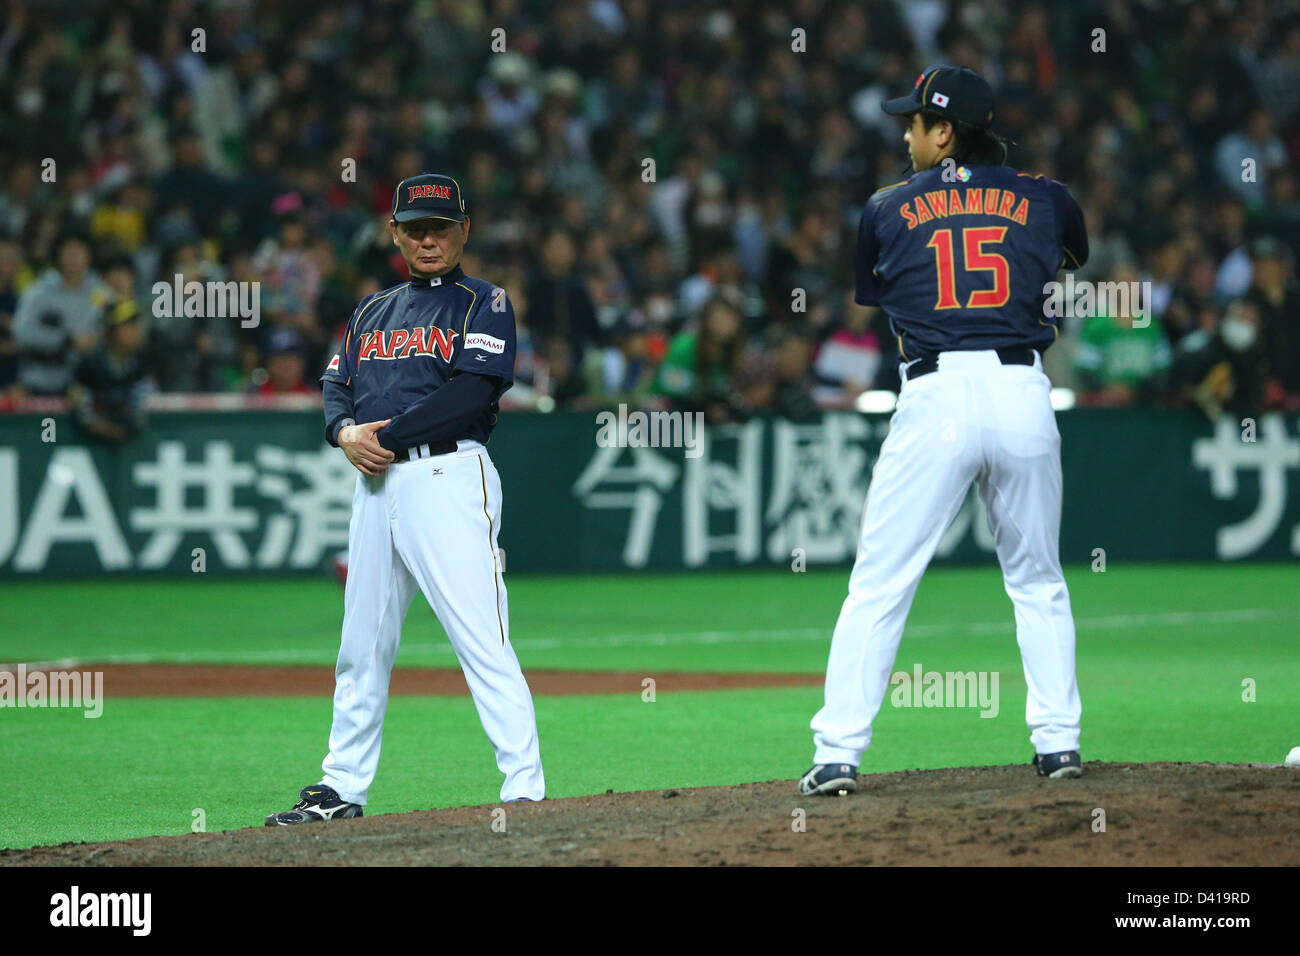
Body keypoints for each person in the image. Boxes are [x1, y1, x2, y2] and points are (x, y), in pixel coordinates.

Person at [800, 66, 1089, 797]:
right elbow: (1070, 256)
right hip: (1023, 391)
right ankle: (1059, 744)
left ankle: (837, 754)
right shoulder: (1049, 197)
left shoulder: (885, 208)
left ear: (946, 130)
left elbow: (878, 290)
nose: (906, 135)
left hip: (936, 396)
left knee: (880, 582)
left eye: (915, 123)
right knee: (1038, 579)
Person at [266, 173, 545, 826]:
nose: (428, 240)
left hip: (449, 476)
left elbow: (473, 392)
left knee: (481, 638)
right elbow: (336, 383)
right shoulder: (372, 309)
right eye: (415, 229)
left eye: (440, 228)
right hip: (375, 484)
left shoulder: (485, 302)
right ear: (394, 233)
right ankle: (341, 786)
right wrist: (343, 432)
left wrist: (381, 436)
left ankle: (524, 791)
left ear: (464, 230)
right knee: (361, 644)